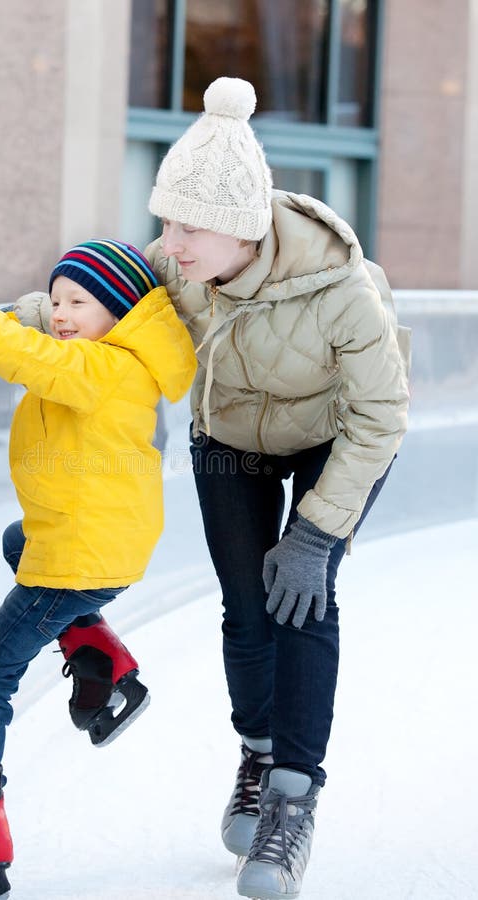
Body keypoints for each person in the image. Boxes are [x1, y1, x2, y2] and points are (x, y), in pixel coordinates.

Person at [144, 77, 410, 899]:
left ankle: (293, 797)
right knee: (244, 606)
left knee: (300, 597)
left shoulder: (344, 292)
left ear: (238, 228)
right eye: (166, 221)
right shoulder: (183, 267)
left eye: (187, 226)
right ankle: (255, 753)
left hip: (337, 436)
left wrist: (316, 534)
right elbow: (92, 306)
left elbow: (381, 417)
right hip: (230, 439)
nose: (170, 242)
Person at [0, 239, 197, 900]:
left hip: (76, 560)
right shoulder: (120, 358)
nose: (59, 312)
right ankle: (98, 657)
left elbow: (33, 358)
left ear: (118, 309)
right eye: (54, 299)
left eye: (78, 301)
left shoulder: (100, 366)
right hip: (95, 546)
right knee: (14, 539)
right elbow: (43, 347)